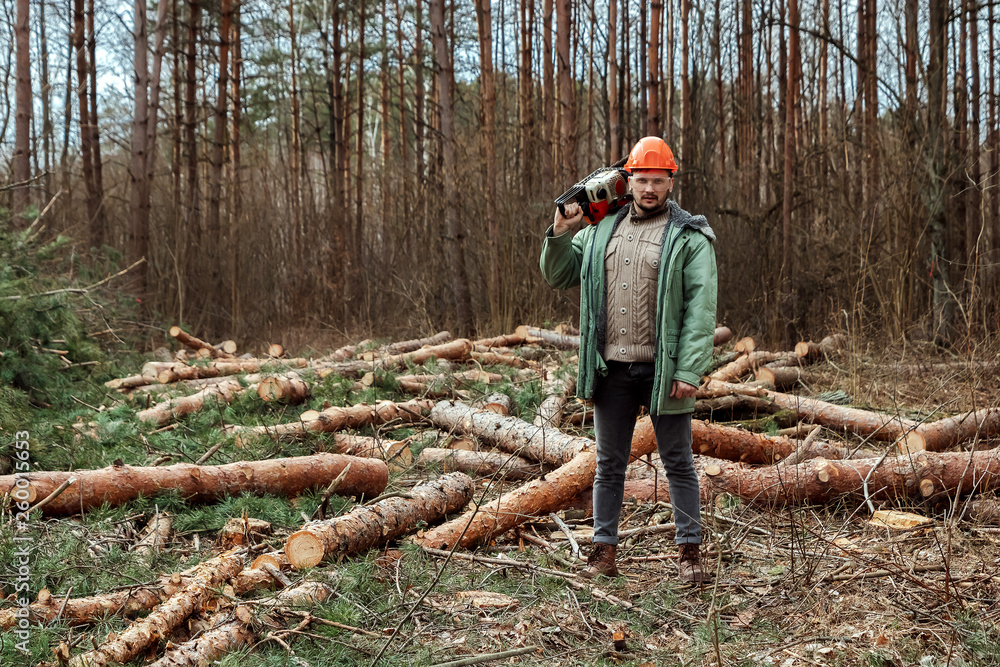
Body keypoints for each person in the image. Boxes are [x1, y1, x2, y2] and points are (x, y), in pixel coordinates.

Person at [539, 136, 718, 583]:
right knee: (609, 463)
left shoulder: (689, 236)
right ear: (628, 180)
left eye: (658, 181)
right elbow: (559, 274)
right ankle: (603, 553)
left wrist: (690, 368)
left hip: (664, 370)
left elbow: (702, 306)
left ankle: (690, 555)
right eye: (642, 180)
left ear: (670, 183)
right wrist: (560, 232)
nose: (649, 189)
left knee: (677, 461)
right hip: (610, 368)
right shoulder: (601, 229)